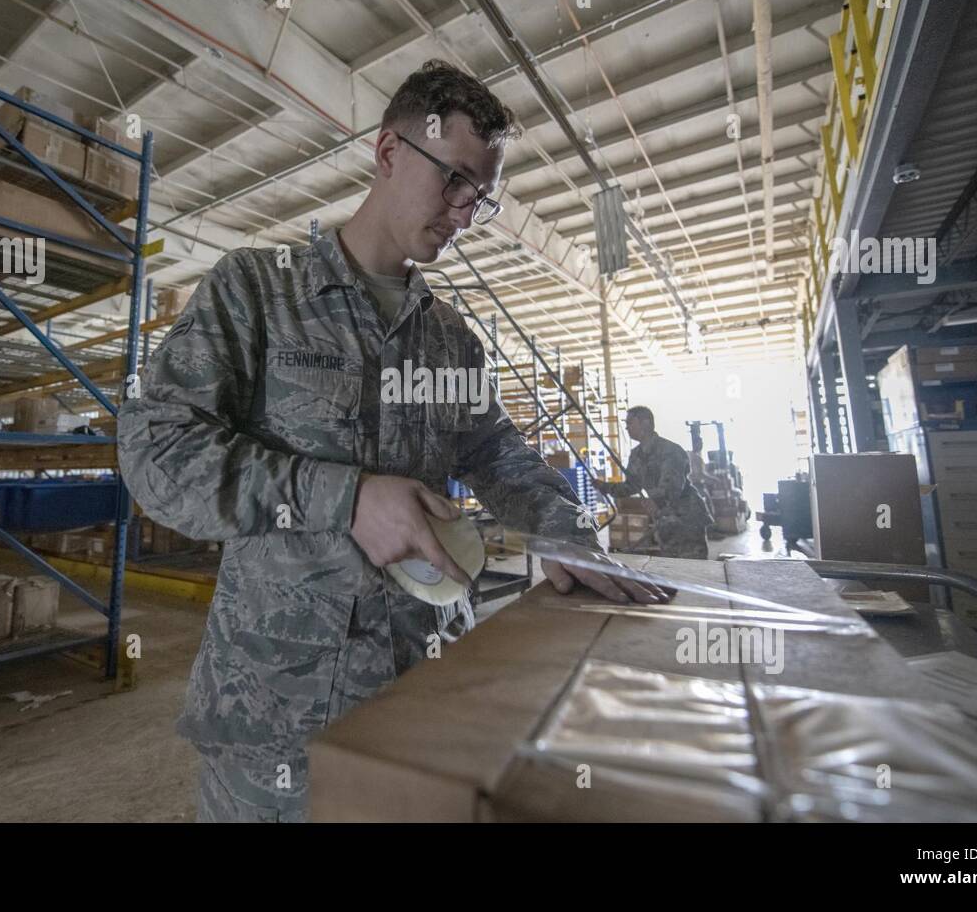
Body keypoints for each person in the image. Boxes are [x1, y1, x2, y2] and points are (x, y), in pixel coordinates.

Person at [118, 59, 669, 823]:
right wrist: (343, 499)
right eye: (454, 183)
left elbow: (498, 453)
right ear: (388, 154)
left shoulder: (449, 340)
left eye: (482, 197)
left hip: (425, 693)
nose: (465, 214)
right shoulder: (256, 291)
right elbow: (155, 453)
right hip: (276, 723)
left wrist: (567, 537)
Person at [596, 406, 712, 559]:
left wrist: (649, 499)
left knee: (693, 567)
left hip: (686, 518)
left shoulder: (671, 451)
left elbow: (671, 488)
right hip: (665, 521)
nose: (626, 427)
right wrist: (604, 487)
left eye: (630, 422)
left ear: (645, 423)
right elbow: (631, 486)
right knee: (672, 566)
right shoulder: (636, 455)